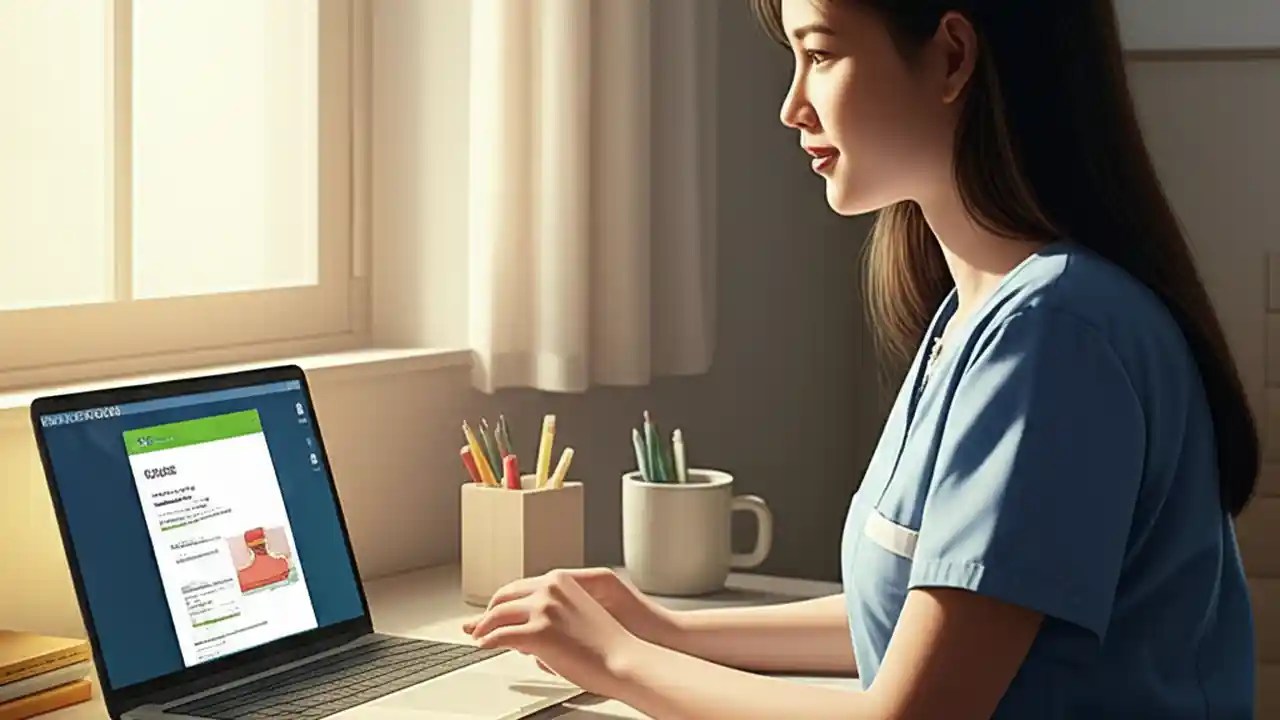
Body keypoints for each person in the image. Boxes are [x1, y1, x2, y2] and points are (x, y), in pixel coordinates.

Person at [461, 1, 1260, 717]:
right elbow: (918, 617)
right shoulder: (980, 315)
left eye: (820, 53)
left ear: (952, 57)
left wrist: (615, 661)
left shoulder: (1056, 336)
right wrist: (662, 628)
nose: (790, 105)